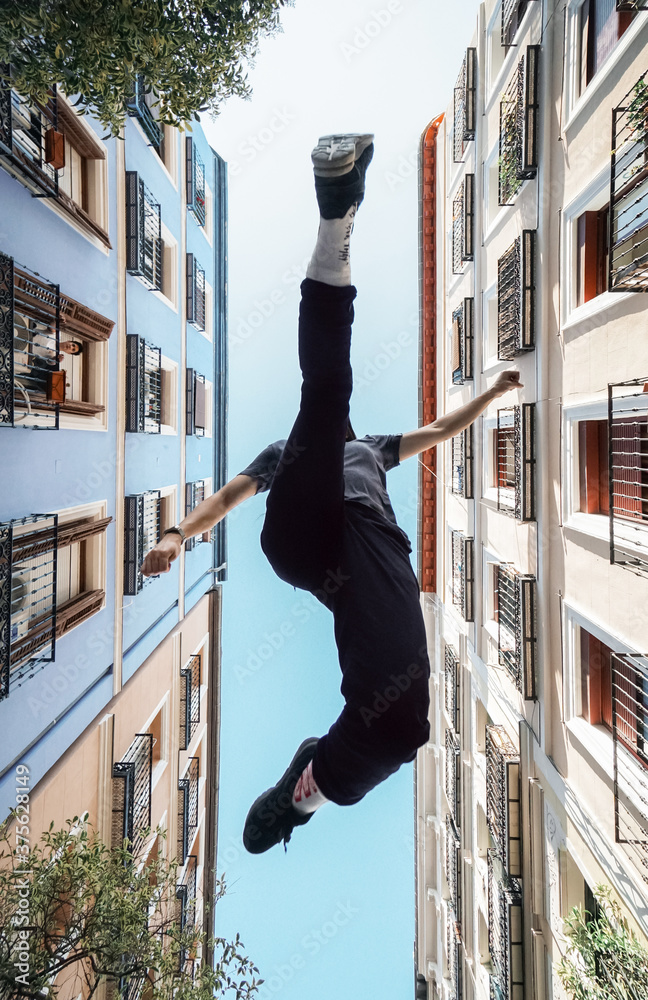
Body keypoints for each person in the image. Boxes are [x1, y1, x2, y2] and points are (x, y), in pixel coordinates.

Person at [140, 133, 523, 854]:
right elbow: (228, 500)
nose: (347, 431)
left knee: (407, 718)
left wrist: (492, 398)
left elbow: (438, 428)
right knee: (326, 390)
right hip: (304, 543)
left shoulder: (375, 449)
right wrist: (175, 535)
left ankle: (302, 792)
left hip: (365, 548)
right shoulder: (289, 452)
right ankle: (337, 213)